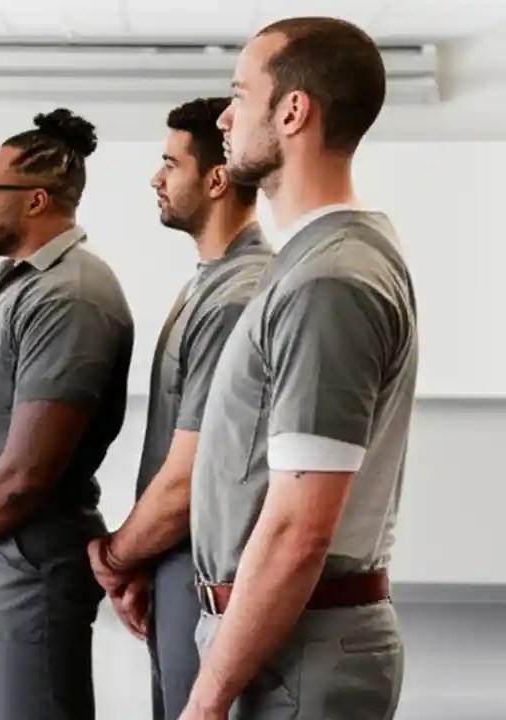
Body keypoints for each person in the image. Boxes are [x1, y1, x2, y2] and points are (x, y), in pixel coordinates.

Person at [180, 16, 418, 720]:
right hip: (280, 639)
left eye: (238, 96)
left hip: (298, 652)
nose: (224, 118)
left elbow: (297, 529)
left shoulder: (330, 279)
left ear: (292, 111)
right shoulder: (317, 260)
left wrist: (205, 701)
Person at [0, 109, 134, 720]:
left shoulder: (71, 295)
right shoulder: (6, 286)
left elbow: (25, 476)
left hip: (25, 552)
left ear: (36, 199)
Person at [84, 98, 273, 720]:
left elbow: (192, 475)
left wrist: (116, 557)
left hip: (208, 574)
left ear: (216, 180)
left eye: (170, 163)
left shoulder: (236, 298)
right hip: (174, 569)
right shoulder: (204, 285)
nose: (155, 178)